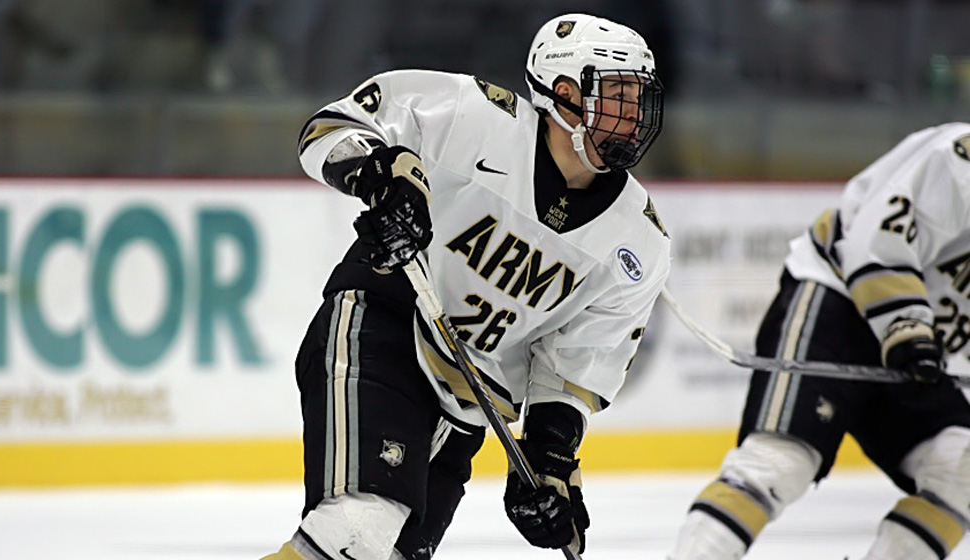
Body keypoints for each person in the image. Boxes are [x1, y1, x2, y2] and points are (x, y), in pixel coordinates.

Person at [258, 12, 670, 560]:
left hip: (469, 406)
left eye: (639, 97)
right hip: (384, 328)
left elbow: (572, 372)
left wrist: (550, 465)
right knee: (356, 529)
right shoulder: (470, 116)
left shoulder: (640, 241)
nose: (635, 113)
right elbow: (331, 127)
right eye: (618, 95)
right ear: (564, 93)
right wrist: (382, 175)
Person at [667, 122, 970, 560]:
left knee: (962, 475)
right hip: (841, 299)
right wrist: (906, 325)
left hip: (922, 351)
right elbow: (879, 235)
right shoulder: (960, 157)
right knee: (779, 462)